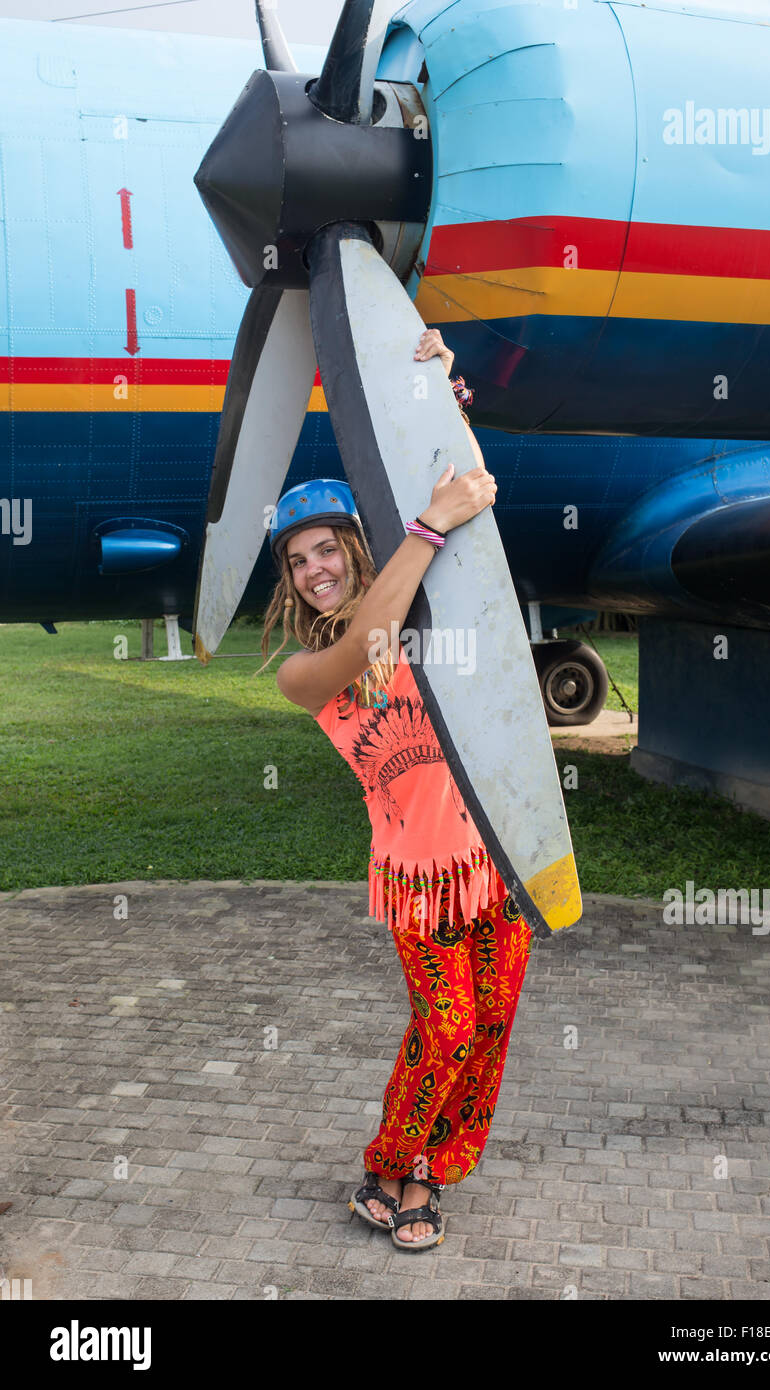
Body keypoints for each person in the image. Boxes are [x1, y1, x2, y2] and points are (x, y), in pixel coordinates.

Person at [259, 328, 533, 1251]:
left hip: (493, 854)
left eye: (326, 548)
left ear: (350, 545)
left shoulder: (422, 602)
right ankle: (386, 1160)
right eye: (296, 561)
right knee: (445, 1028)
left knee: (489, 1025)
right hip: (416, 876)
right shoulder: (307, 670)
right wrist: (427, 522)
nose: (314, 568)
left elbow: (475, 512)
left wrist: (438, 389)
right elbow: (367, 641)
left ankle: (429, 1171)